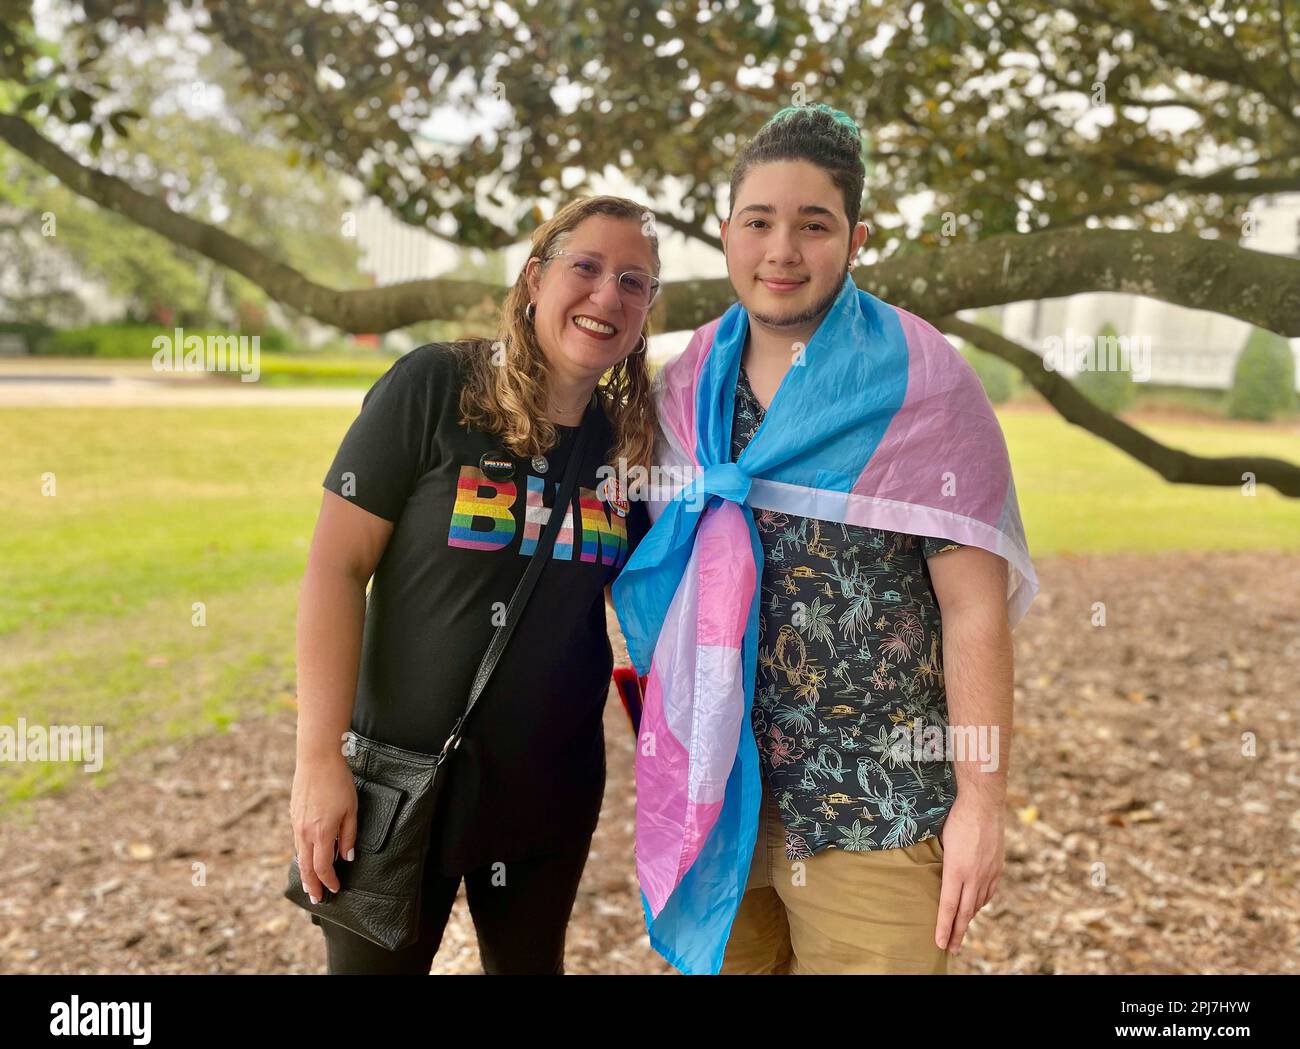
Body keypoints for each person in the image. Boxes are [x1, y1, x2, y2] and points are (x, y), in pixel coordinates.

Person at [612, 104, 1039, 975]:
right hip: (720, 802)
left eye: (814, 226)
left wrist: (984, 802)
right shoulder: (683, 388)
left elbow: (973, 610)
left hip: (877, 812)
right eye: (759, 223)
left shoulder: (924, 384)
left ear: (856, 239)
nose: (782, 251)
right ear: (726, 233)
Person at [289, 194, 659, 974]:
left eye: (635, 281)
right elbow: (335, 567)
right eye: (586, 267)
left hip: (550, 784)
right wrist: (319, 758)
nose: (607, 296)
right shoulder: (436, 385)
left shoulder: (629, 445)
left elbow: (678, 597)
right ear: (533, 280)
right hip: (396, 778)